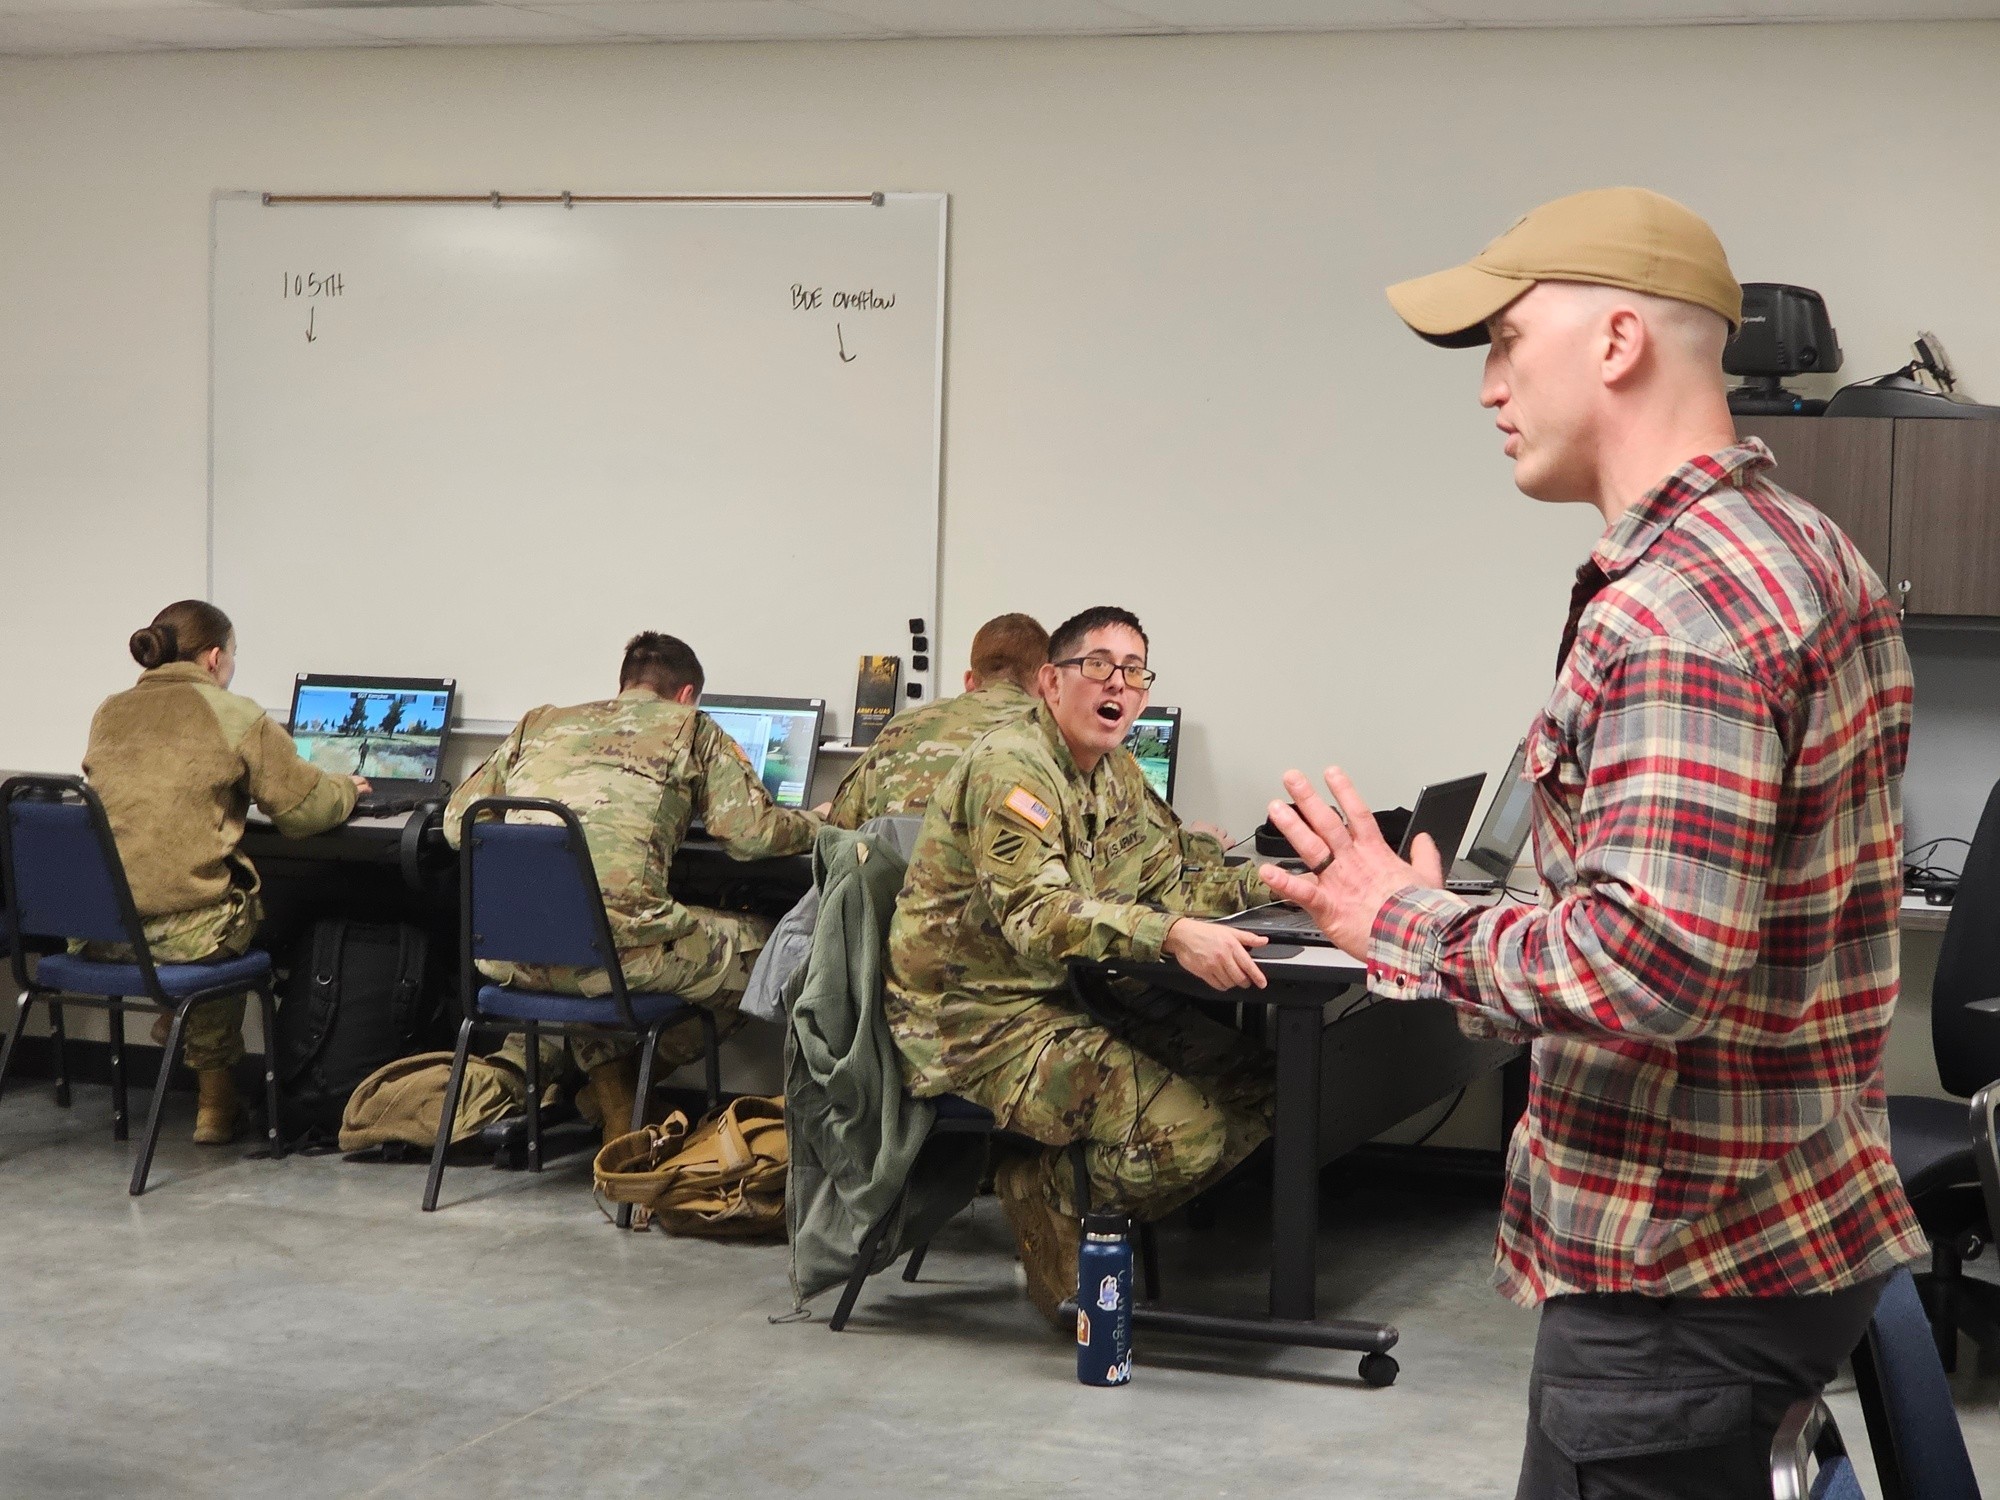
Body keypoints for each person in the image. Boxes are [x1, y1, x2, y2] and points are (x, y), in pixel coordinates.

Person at [1259, 188, 1926, 1499]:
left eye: (1508, 341)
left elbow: (1648, 964)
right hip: (1775, 1233)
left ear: (1617, 342)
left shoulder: (1678, 609)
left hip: (1683, 1277)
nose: (1489, 387)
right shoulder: (1807, 549)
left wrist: (1401, 922)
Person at [886, 605, 1274, 1325]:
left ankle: (1066, 1198)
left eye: (1134, 672)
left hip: (1065, 994)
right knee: (1188, 1134)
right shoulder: (1013, 767)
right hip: (975, 1020)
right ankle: (1044, 1191)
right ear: (1050, 682)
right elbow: (1037, 916)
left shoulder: (1114, 769)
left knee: (1263, 1088)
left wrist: (1279, 885)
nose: (1117, 684)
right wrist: (1171, 936)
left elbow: (1168, 877)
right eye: (1098, 665)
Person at [443, 631, 820, 1146]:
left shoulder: (539, 723)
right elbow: (750, 834)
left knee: (604, 946)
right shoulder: (692, 727)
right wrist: (819, 823)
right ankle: (628, 1088)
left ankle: (613, 1091)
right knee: (774, 948)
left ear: (623, 686)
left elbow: (456, 823)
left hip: (513, 959)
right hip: (619, 961)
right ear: (686, 695)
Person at [80, 600, 363, 1143]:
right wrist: (347, 788)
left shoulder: (110, 711)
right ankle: (214, 1101)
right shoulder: (234, 715)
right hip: (186, 940)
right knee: (230, 915)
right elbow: (305, 813)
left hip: (103, 933)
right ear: (214, 658)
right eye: (233, 655)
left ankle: (184, 1032)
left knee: (203, 907)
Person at [825, 612, 1049, 829]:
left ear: (969, 681)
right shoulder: (1052, 734)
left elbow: (839, 829)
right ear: (1046, 681)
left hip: (899, 856)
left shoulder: (903, 726)